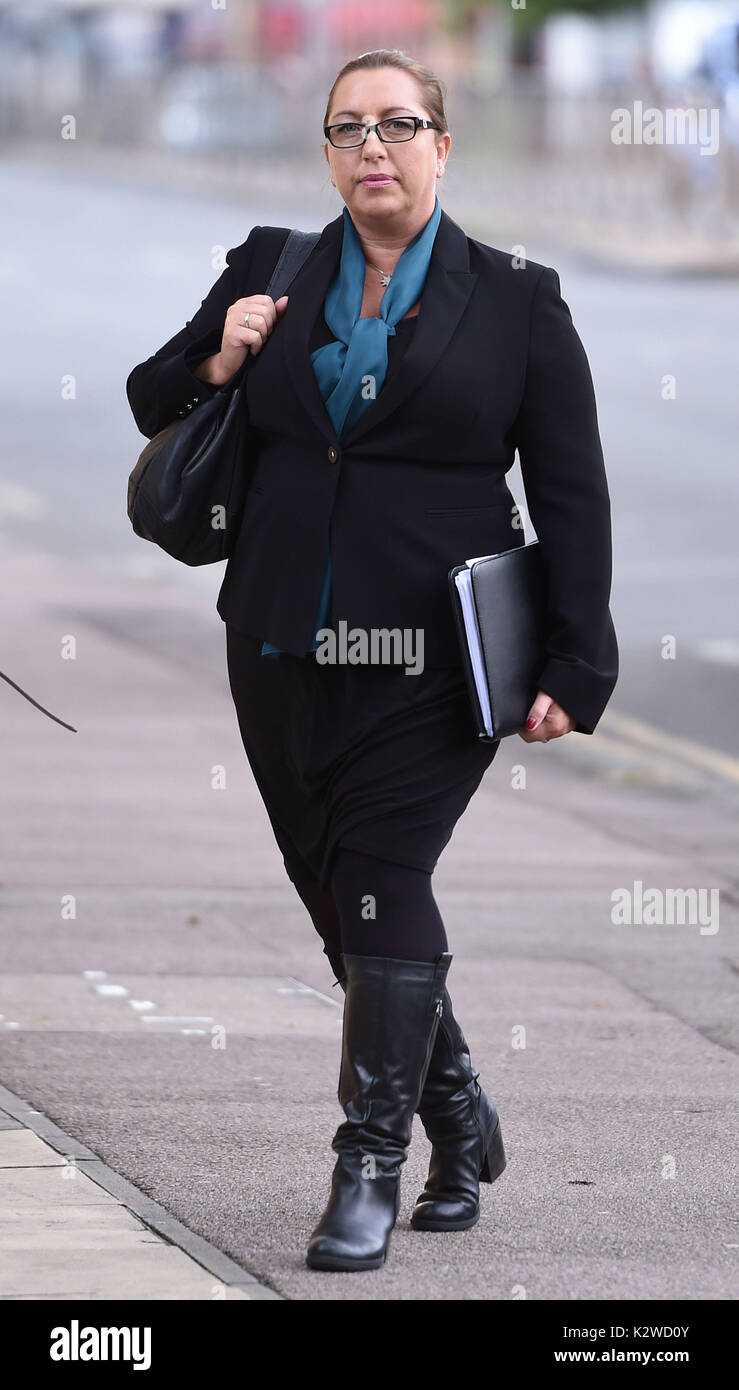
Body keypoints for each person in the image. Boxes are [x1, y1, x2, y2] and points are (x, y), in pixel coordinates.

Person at [126, 49, 618, 1274]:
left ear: (442, 148)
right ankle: (457, 1115)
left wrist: (575, 658)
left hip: (432, 651)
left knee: (382, 872)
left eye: (399, 126)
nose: (373, 149)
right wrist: (219, 356)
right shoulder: (272, 267)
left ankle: (367, 1166)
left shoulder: (516, 297)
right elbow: (149, 398)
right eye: (349, 129)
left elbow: (573, 492)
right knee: (333, 890)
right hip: (280, 633)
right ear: (329, 153)